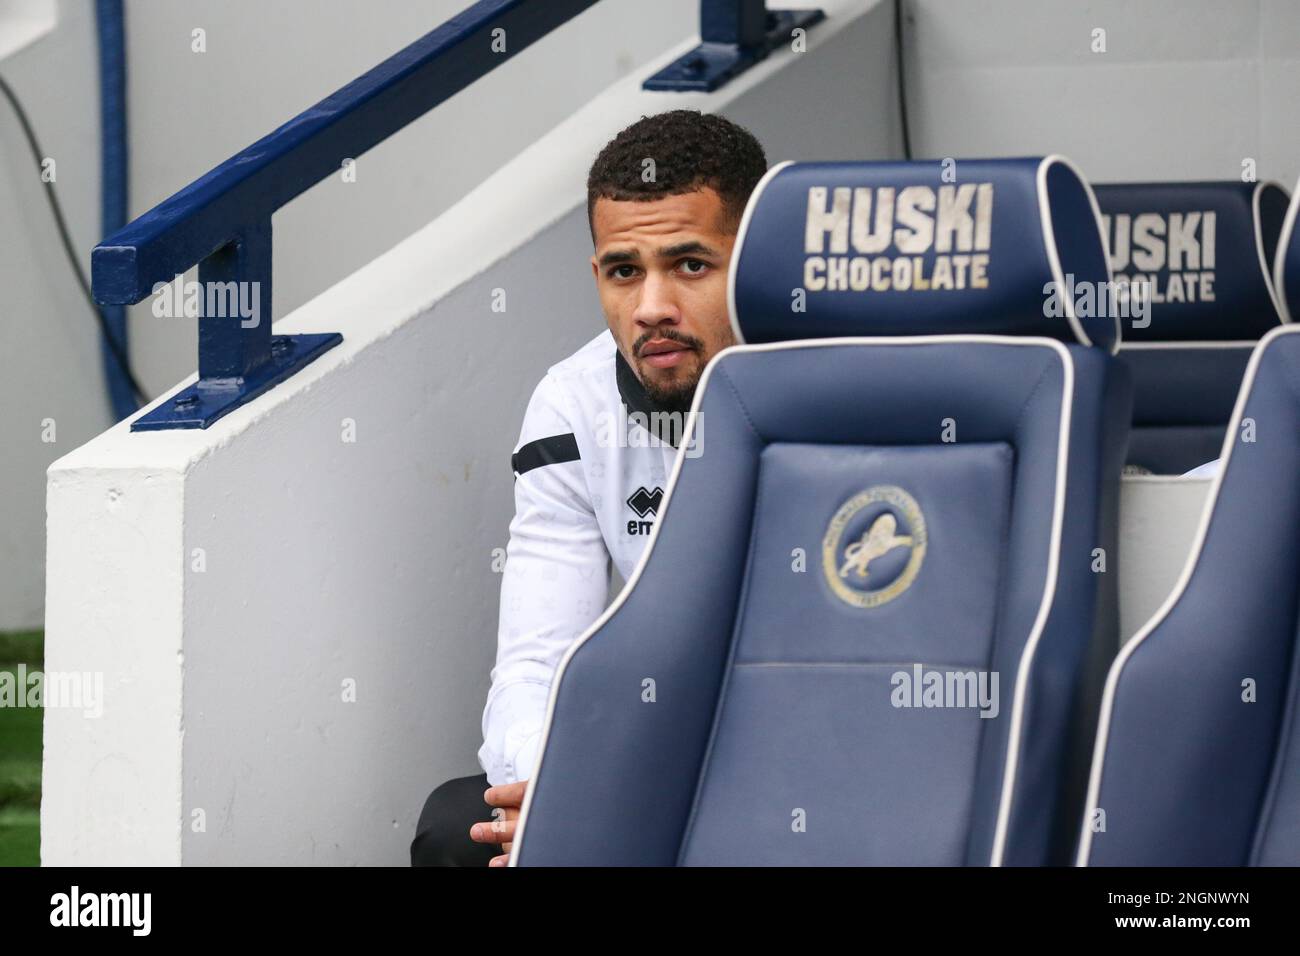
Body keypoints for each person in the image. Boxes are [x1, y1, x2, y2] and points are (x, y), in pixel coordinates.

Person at [410, 109, 769, 866]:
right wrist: (550, 791)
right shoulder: (573, 403)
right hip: (665, 739)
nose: (651, 308)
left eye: (691, 265)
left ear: (760, 260)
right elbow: (537, 659)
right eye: (624, 271)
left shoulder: (849, 372)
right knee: (458, 828)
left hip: (811, 749)